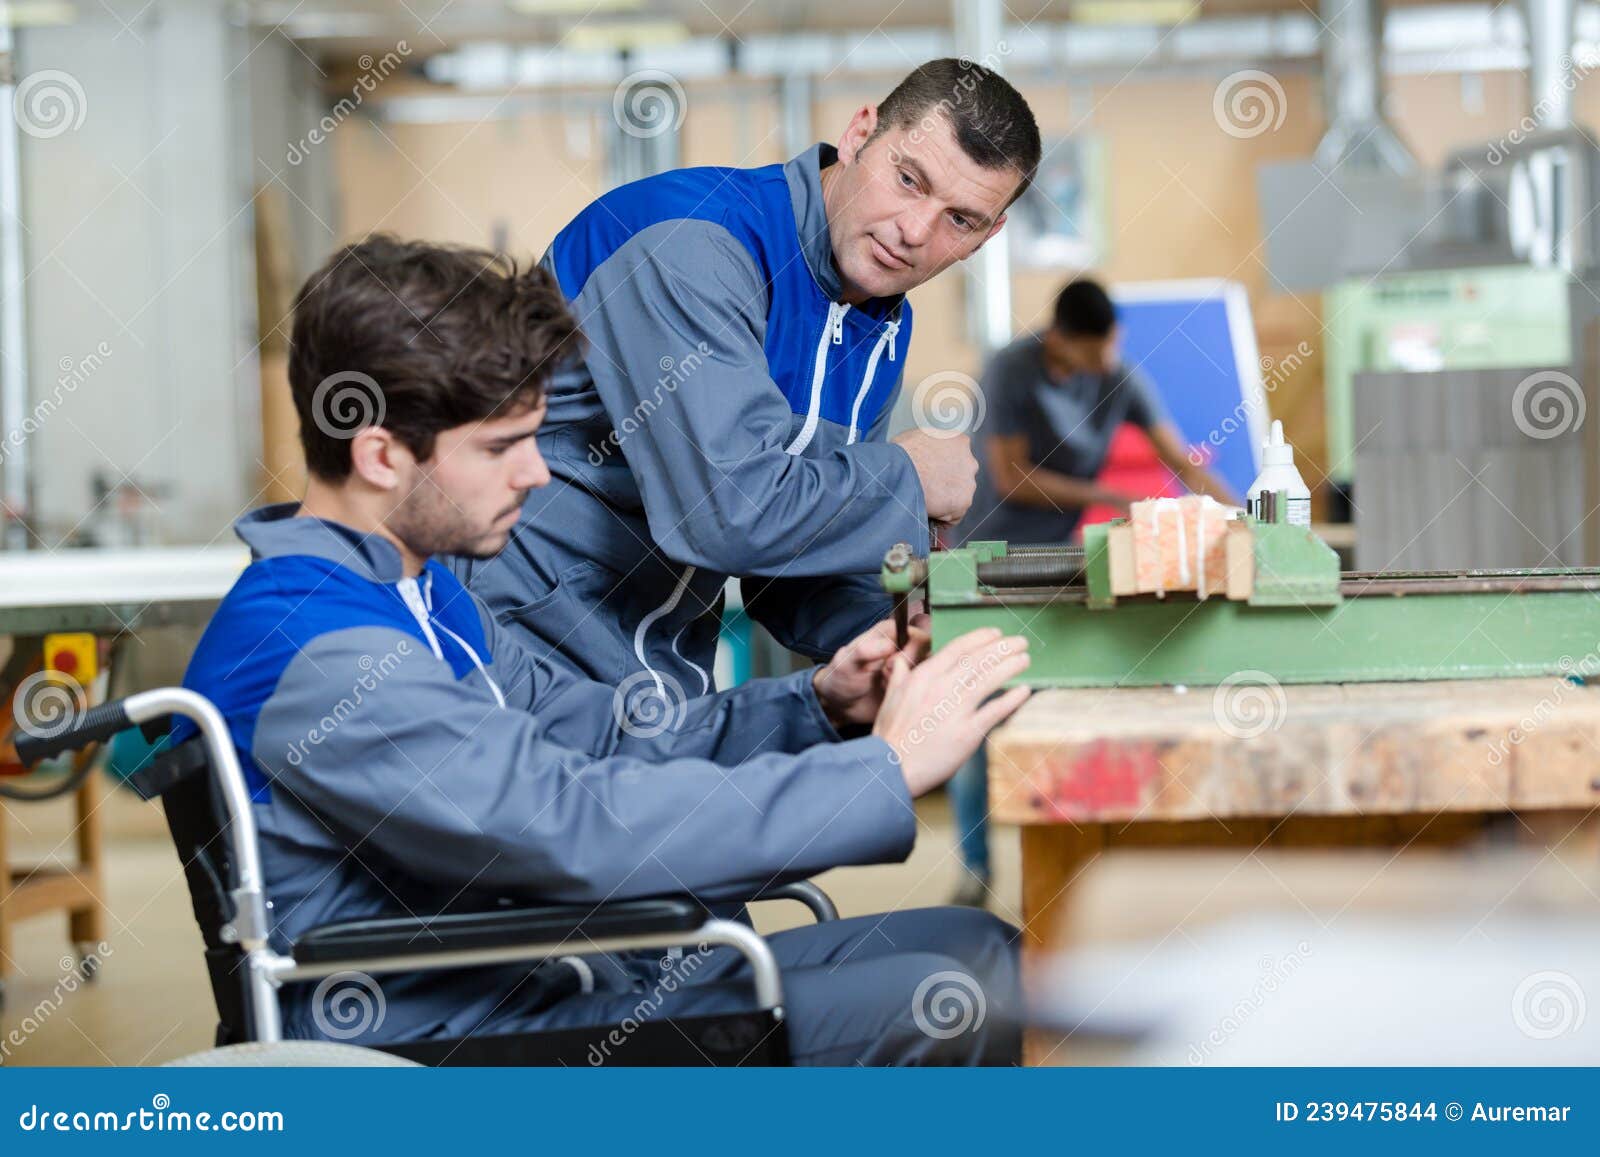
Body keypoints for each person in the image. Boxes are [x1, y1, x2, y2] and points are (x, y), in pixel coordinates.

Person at [179, 236, 1034, 1064]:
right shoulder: (317, 647)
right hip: (463, 1036)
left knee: (981, 946)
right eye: (501, 446)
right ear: (380, 455)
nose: (537, 474)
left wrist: (818, 705)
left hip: (555, 980)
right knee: (952, 1005)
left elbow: (609, 738)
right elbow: (573, 826)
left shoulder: (419, 593)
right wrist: (884, 769)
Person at [448, 59, 1041, 715]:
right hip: (513, 657)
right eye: (908, 179)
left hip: (659, 675)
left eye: (960, 219)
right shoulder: (692, 245)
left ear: (991, 235)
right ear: (858, 134)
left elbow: (787, 567)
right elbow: (727, 510)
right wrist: (907, 475)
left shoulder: (881, 325)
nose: (914, 231)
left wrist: (904, 631)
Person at [947, 278, 1238, 906]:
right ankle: (976, 867)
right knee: (979, 710)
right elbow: (1012, 476)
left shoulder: (1115, 375)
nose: (1104, 363)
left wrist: (1241, 517)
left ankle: (1071, 854)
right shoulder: (1011, 369)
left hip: (1055, 553)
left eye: (1112, 347)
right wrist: (1111, 498)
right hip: (988, 553)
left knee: (1061, 695)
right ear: (1060, 340)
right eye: (1093, 352)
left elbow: (1181, 462)